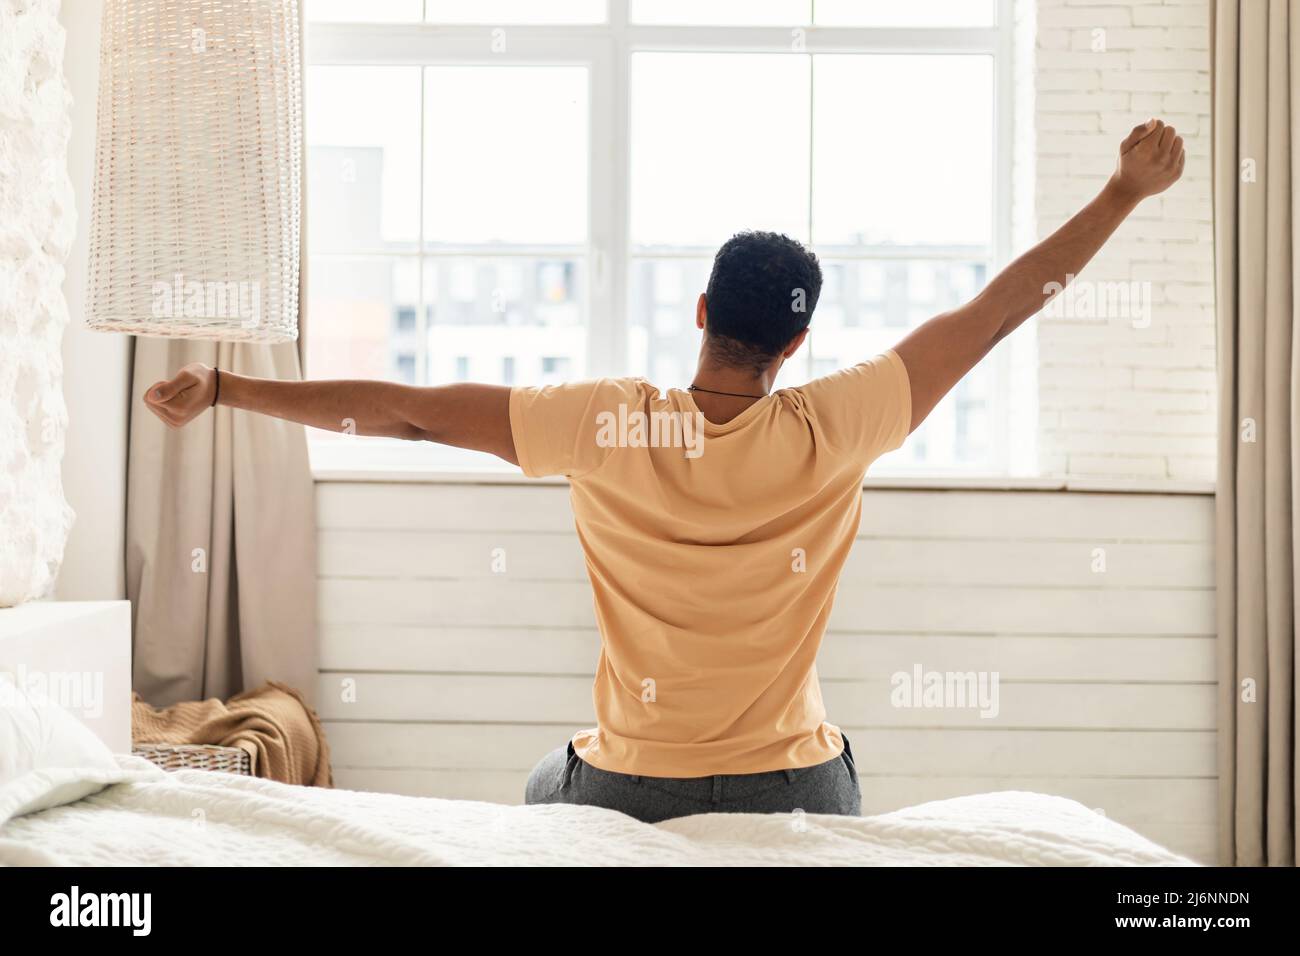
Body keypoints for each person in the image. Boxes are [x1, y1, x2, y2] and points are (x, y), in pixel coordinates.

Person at [145, 119, 1185, 823]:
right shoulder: (839, 420)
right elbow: (1001, 308)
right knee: (842, 775)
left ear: (700, 313)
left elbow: (404, 412)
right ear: (798, 340)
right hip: (797, 782)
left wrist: (233, 389)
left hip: (631, 782)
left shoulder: (608, 423)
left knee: (538, 791)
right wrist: (1121, 191)